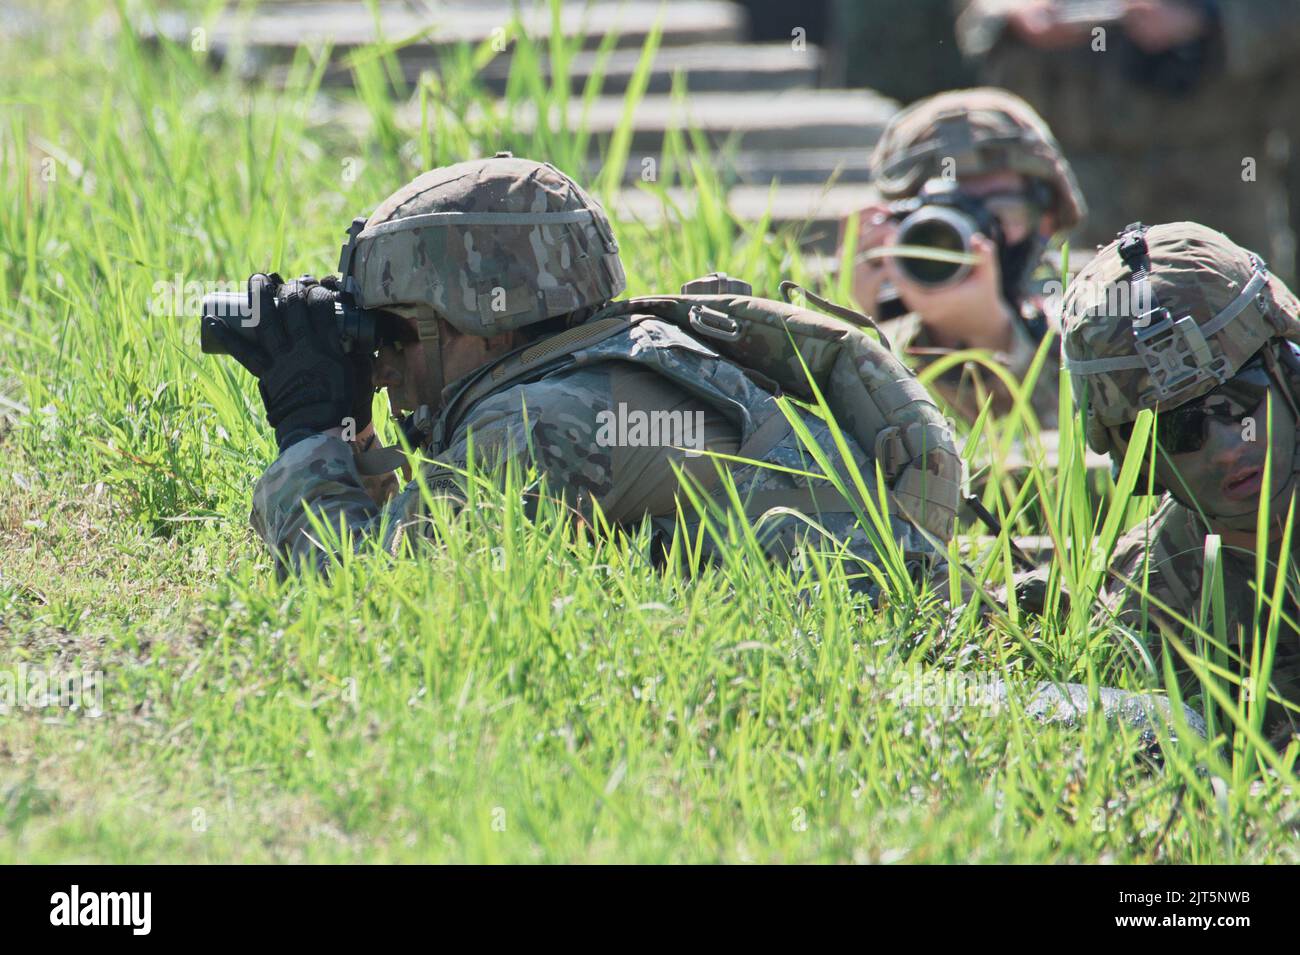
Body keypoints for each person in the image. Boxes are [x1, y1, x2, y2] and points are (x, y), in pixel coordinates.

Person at [208, 155, 962, 592]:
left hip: (894, 667)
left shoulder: (539, 422)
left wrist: (307, 425)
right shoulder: (617, 361)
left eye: (399, 330)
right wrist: (355, 427)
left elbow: (372, 597)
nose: (384, 359)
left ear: (489, 322)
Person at [1062, 220, 1300, 744]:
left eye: (1238, 399)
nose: (1226, 448)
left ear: (1287, 371)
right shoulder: (1150, 596)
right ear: (1137, 461)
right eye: (1179, 430)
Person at [956, 0, 1300, 283]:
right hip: (1074, 174)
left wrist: (1207, 17)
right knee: (1087, 325)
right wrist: (1014, 13)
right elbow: (977, 17)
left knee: (1238, 322)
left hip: (1217, 175)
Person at [844, 88, 1086, 427]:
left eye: (1001, 210)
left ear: (1046, 219)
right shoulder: (860, 321)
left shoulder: (1090, 322)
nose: (974, 235)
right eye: (942, 214)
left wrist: (994, 338)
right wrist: (854, 328)